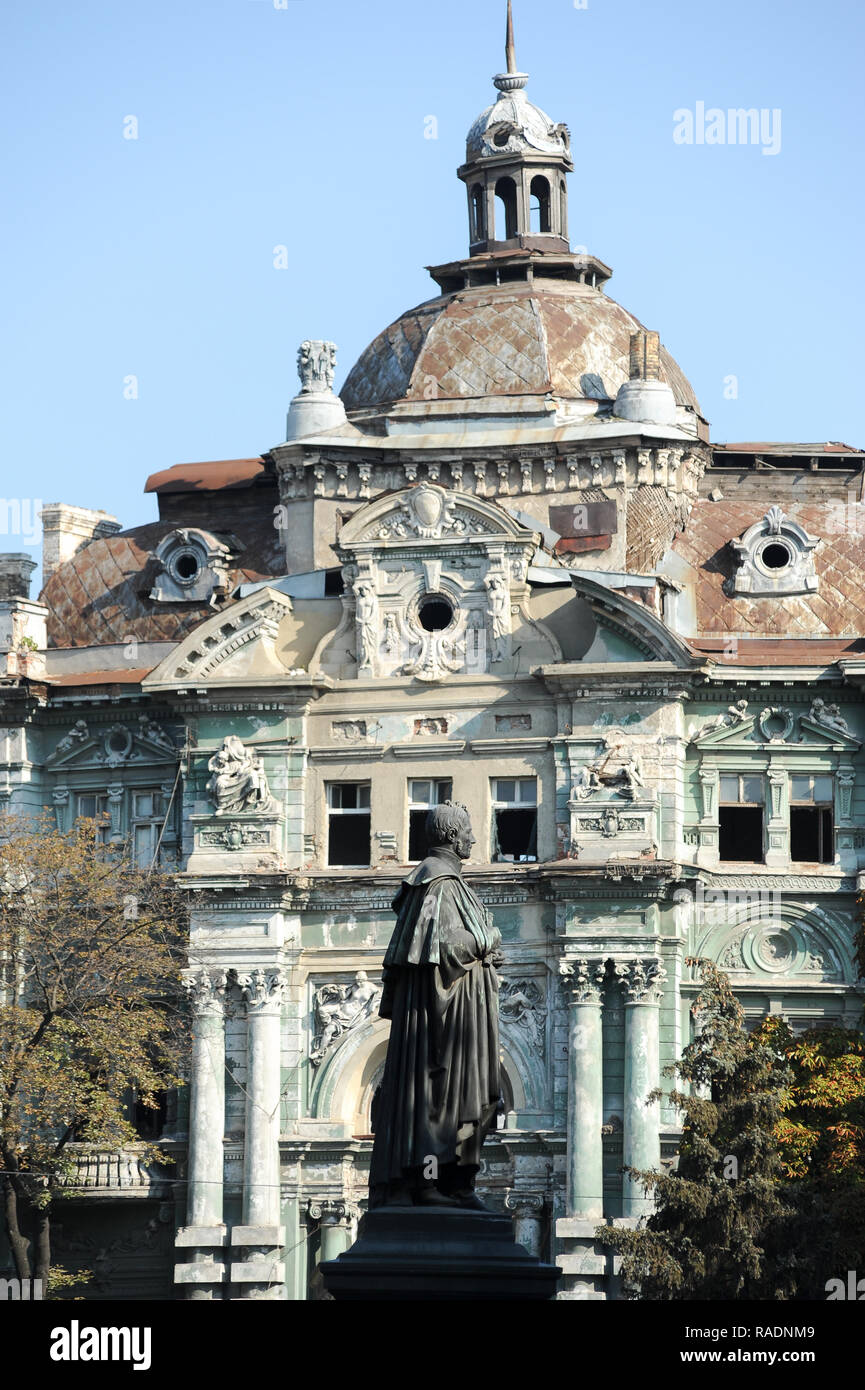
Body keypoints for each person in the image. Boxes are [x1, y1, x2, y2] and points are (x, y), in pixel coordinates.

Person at [369, 801, 503, 1209]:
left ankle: (458, 1183)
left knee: (465, 1098)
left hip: (463, 1013)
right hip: (444, 1018)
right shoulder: (439, 884)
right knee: (438, 1100)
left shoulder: (446, 885)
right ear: (450, 836)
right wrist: (488, 939)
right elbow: (447, 946)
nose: (474, 839)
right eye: (467, 831)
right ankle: (428, 1181)